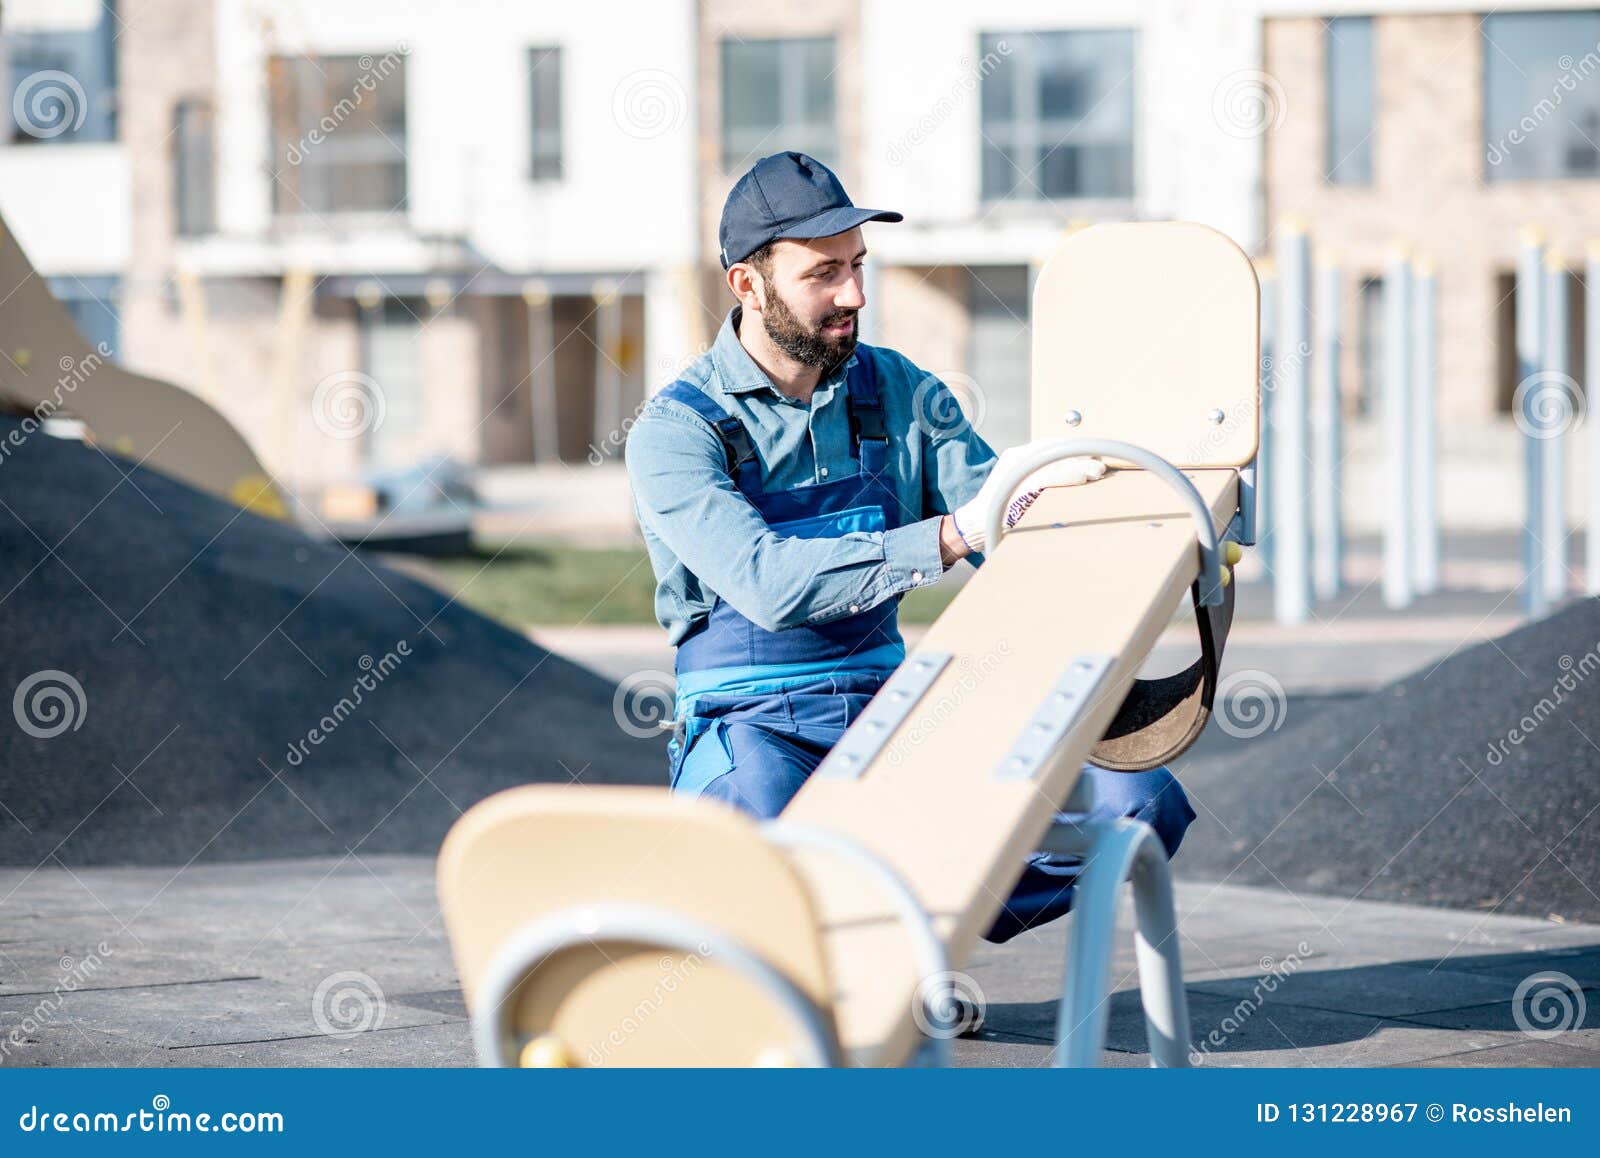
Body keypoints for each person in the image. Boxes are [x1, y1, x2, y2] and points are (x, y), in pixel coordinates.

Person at [624, 151, 1195, 944]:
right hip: (751, 728)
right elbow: (768, 583)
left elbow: (1012, 520)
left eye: (859, 266)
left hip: (896, 717)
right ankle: (858, 962)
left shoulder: (899, 389)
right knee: (773, 878)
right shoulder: (673, 432)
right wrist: (954, 534)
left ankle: (912, 941)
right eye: (824, 273)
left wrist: (1133, 515)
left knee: (1135, 805)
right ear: (747, 286)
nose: (854, 295)